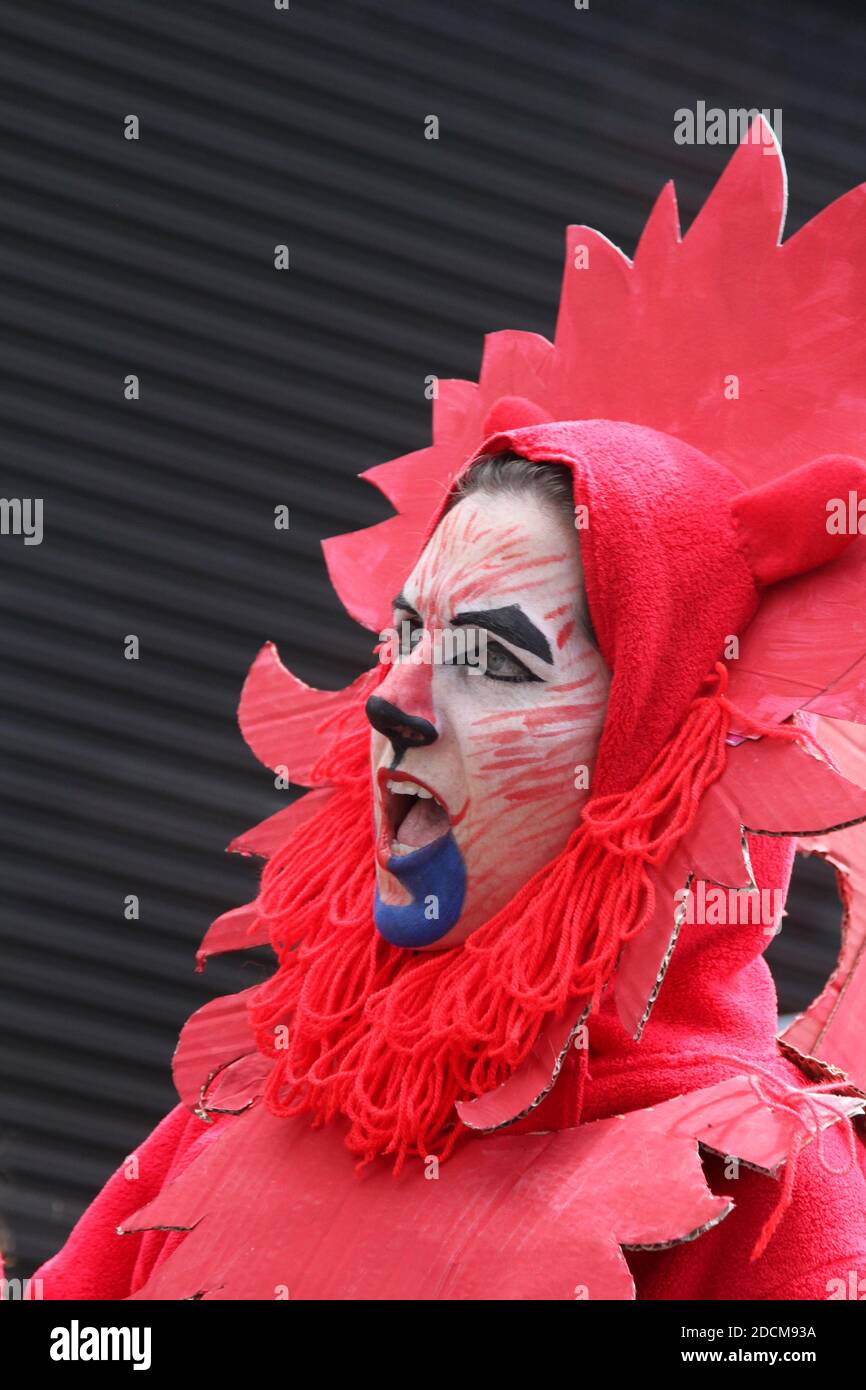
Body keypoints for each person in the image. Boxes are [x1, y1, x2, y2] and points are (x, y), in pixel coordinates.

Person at [21, 121, 866, 1300]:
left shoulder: (766, 1189)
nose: (394, 708)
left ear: (660, 745)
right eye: (401, 639)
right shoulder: (241, 1116)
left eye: (493, 658)